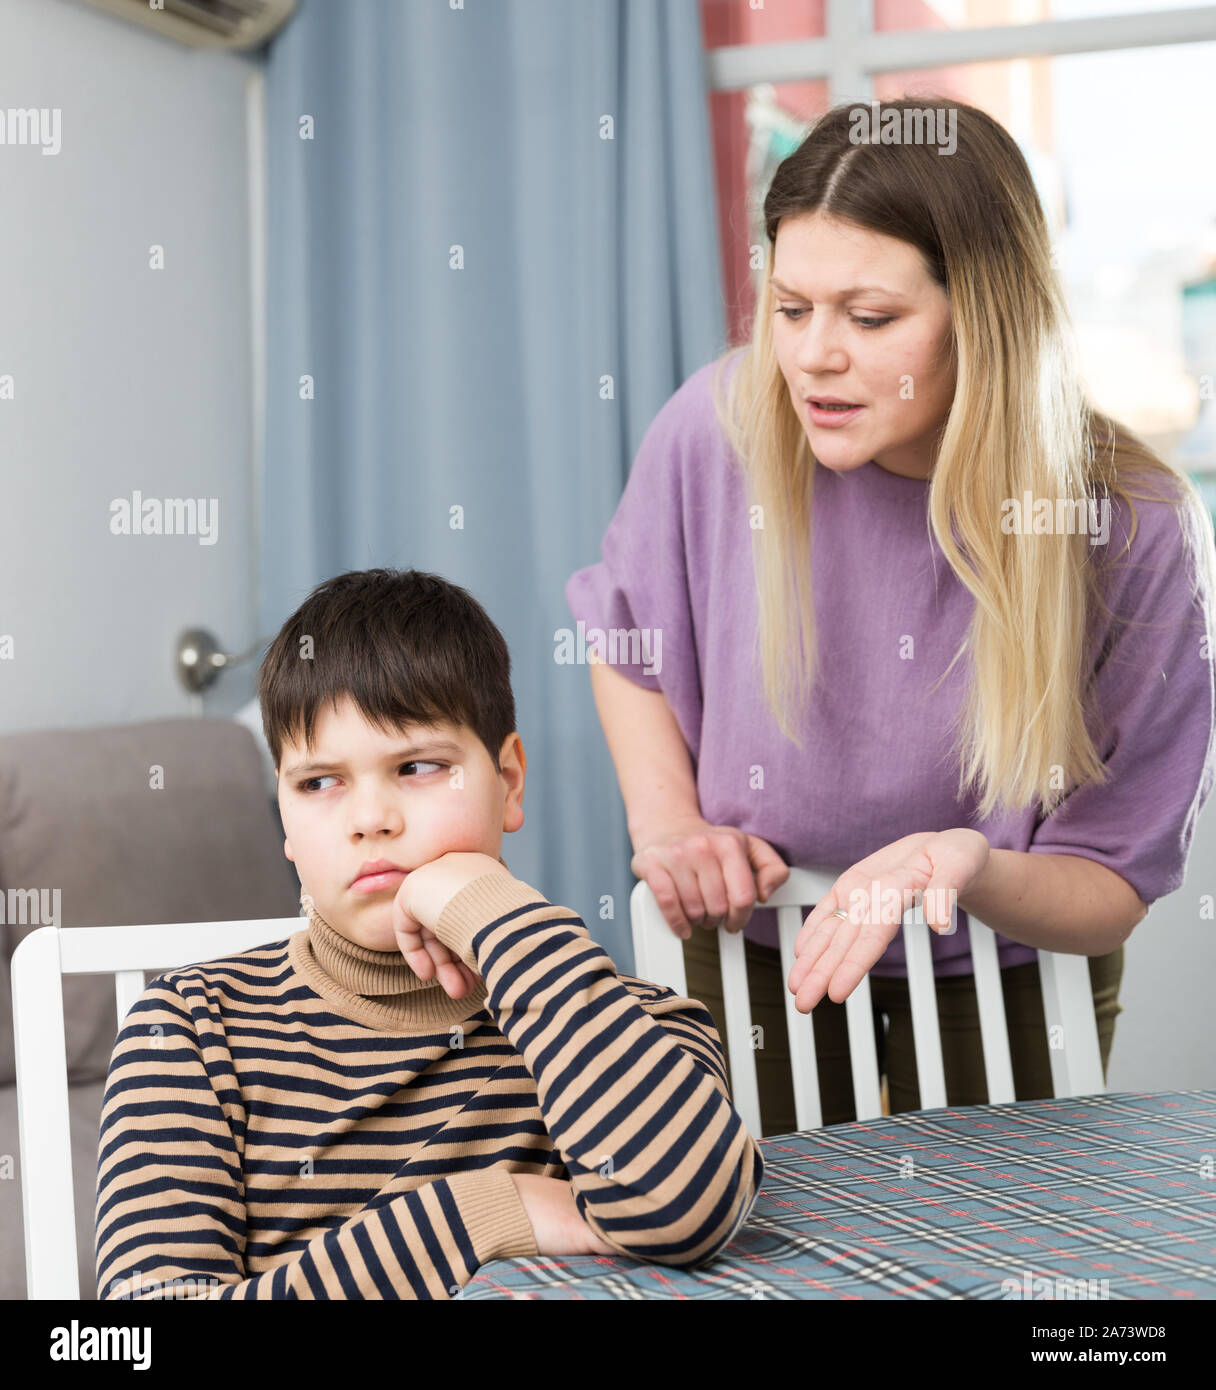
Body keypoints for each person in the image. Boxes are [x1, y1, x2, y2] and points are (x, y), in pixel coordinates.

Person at [566, 97, 1216, 1138]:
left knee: (1006, 1231)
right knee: (757, 1224)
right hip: (754, 939)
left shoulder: (1129, 525)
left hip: (1008, 960)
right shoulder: (712, 429)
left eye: (869, 319)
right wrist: (670, 823)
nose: (812, 356)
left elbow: (1108, 880)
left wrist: (965, 863)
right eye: (790, 309)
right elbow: (625, 637)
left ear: (986, 314)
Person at [94, 568, 762, 1300]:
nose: (369, 819)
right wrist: (492, 1211)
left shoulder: (630, 1025)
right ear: (282, 811)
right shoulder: (189, 1029)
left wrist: (493, 910)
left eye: (417, 767)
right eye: (318, 782)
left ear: (509, 782)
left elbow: (693, 1209)